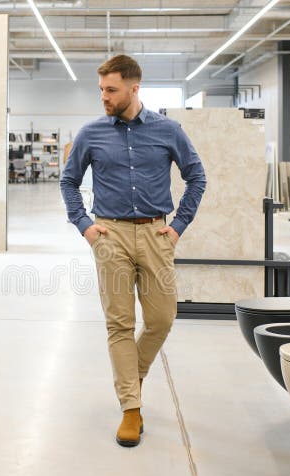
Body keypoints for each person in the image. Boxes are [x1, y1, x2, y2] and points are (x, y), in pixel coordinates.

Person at [60, 55, 206, 448]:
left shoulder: (167, 130)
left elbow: (197, 177)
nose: (104, 97)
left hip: (157, 232)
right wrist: (86, 228)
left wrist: (176, 228)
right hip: (111, 235)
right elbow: (69, 182)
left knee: (162, 318)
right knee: (119, 324)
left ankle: (131, 376)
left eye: (111, 90)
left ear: (134, 87)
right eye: (101, 90)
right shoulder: (91, 134)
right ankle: (131, 407)